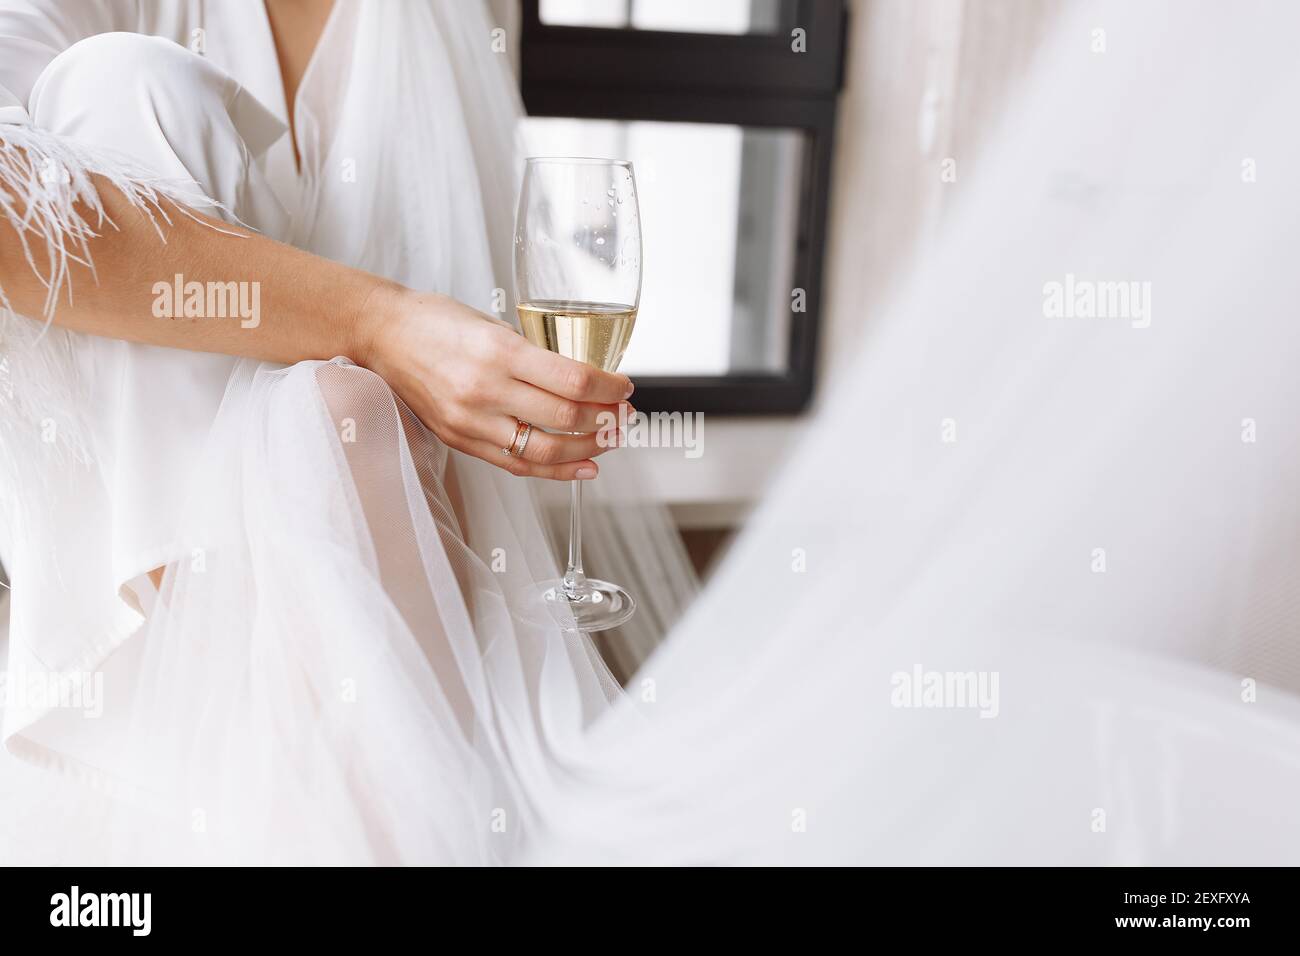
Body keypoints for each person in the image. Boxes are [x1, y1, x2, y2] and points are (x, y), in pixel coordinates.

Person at [0, 0, 695, 863]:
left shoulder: (436, 25)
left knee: (340, 416)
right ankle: (216, 651)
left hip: (388, 514)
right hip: (140, 590)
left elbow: (465, 338)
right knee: (120, 78)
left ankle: (390, 759)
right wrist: (379, 322)